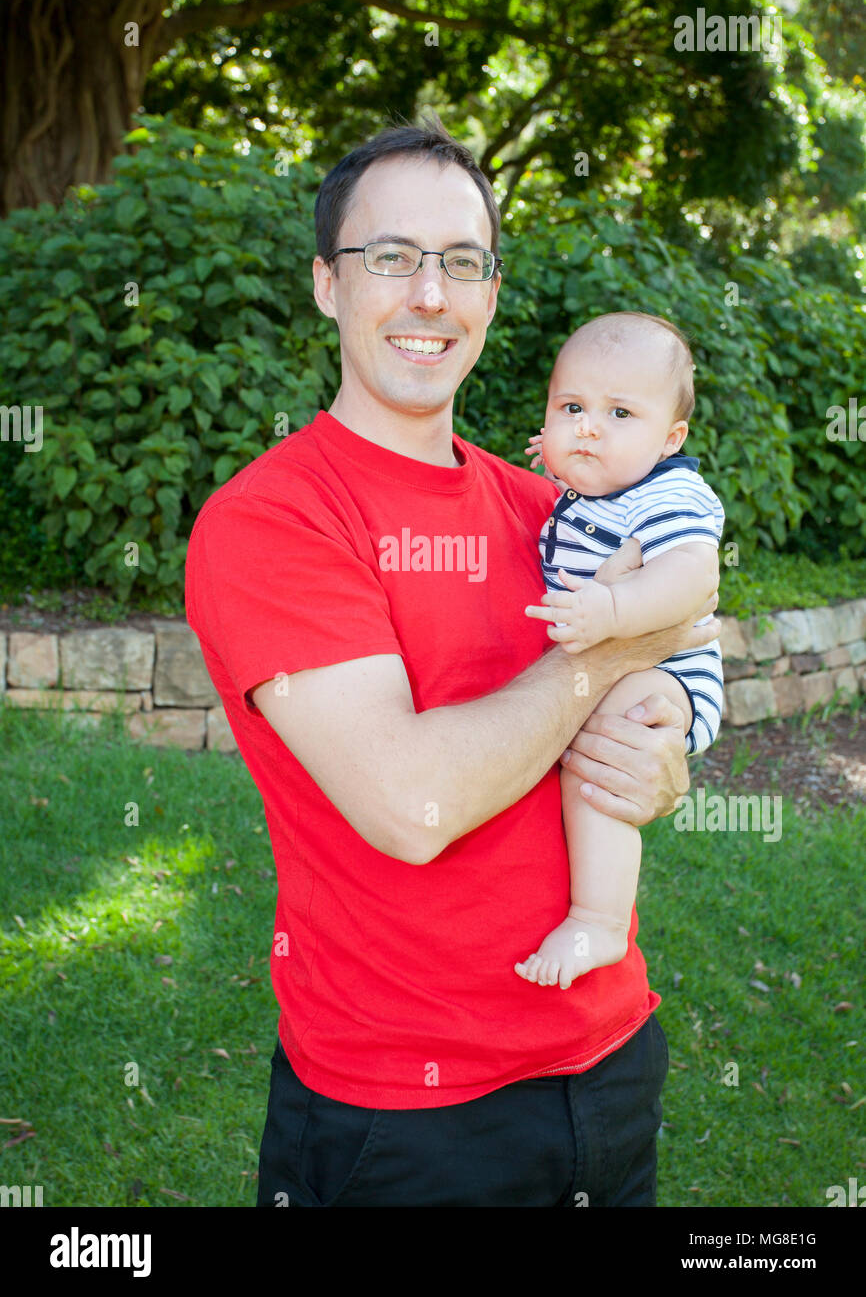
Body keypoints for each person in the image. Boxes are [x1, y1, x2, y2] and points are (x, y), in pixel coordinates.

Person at [184, 116, 721, 1208]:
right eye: (390, 257)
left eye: (460, 262)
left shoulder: (552, 508)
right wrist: (610, 654)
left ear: (488, 290)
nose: (429, 293)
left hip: (610, 1056)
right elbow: (414, 803)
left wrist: (664, 746)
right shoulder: (272, 520)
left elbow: (689, 634)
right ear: (328, 285)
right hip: (405, 1118)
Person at [514, 312, 724, 991]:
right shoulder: (593, 494)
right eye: (571, 407)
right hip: (632, 665)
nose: (589, 427)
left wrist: (610, 611)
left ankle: (599, 921)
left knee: (602, 756)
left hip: (668, 675)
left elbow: (693, 575)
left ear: (671, 439)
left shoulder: (669, 493)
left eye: (619, 413)